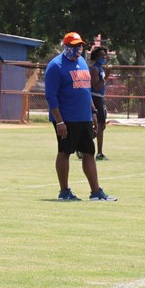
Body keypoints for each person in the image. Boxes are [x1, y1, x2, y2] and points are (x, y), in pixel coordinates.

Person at [44, 32, 115, 202]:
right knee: (64, 151)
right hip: (66, 118)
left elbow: (86, 91)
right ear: (66, 46)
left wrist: (93, 112)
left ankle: (96, 192)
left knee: (89, 152)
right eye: (74, 46)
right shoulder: (56, 66)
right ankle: (64, 192)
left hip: (84, 117)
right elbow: (51, 96)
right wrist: (59, 121)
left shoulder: (82, 62)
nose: (78, 49)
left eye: (80, 45)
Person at [88, 46, 110, 161]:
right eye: (101, 55)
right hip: (94, 98)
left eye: (104, 55)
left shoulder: (101, 68)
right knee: (98, 126)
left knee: (102, 126)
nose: (104, 57)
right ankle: (99, 153)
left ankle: (82, 147)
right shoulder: (94, 69)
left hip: (100, 98)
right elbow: (96, 86)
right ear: (96, 57)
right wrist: (106, 76)